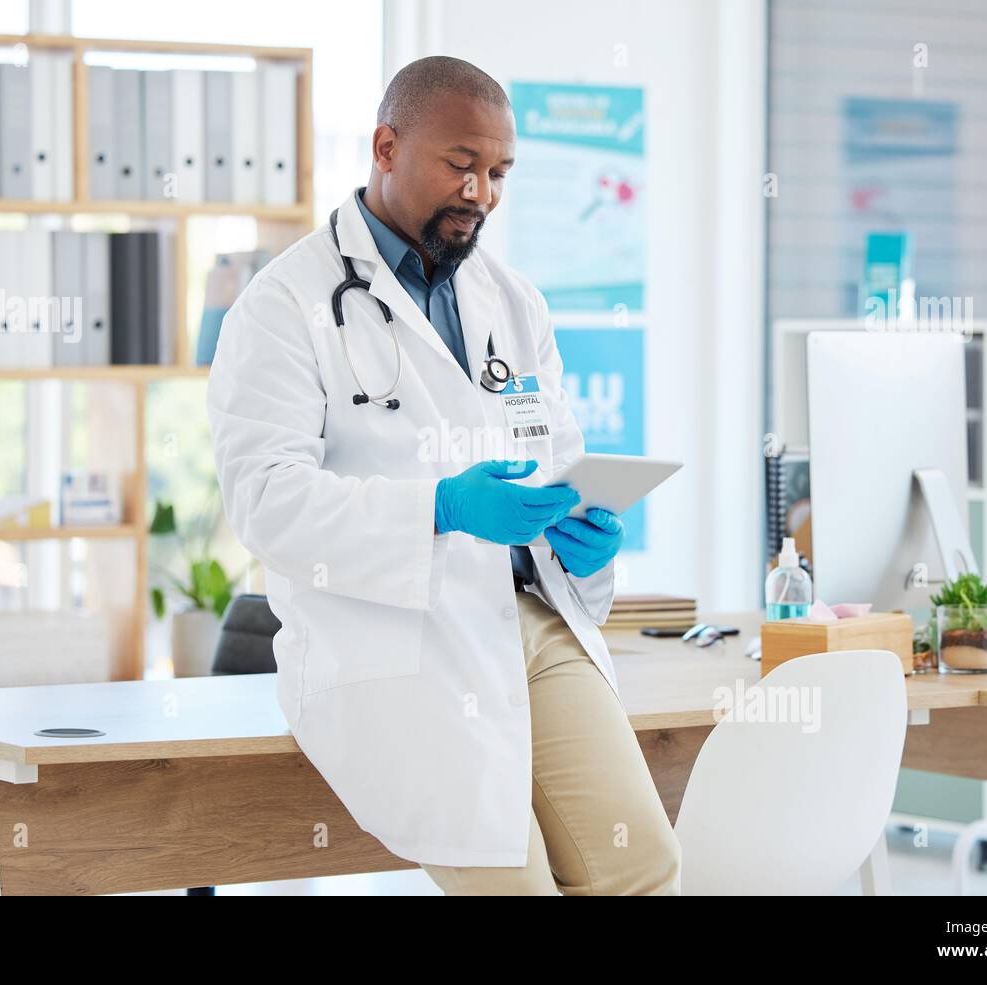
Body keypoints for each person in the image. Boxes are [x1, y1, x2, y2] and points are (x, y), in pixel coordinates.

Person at [207, 55, 680, 895]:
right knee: (515, 885)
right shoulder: (283, 306)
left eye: (498, 172)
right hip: (393, 638)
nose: (481, 193)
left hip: (527, 617)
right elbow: (267, 502)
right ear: (387, 146)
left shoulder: (512, 301)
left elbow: (554, 453)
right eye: (460, 165)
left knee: (640, 861)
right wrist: (444, 508)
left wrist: (582, 537)